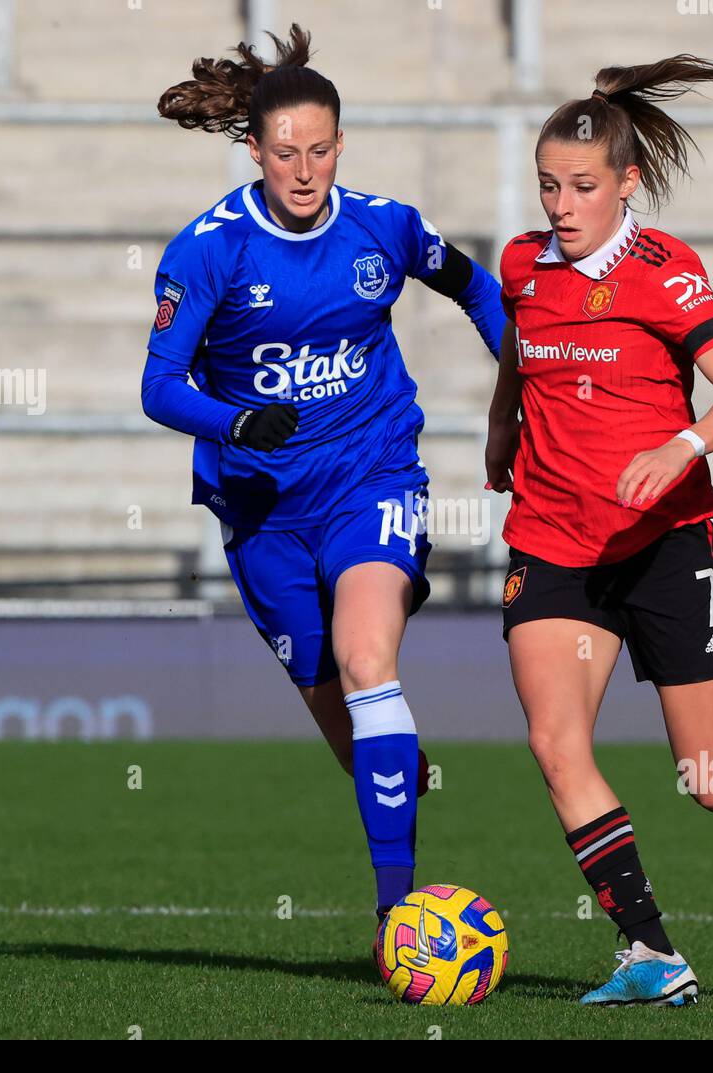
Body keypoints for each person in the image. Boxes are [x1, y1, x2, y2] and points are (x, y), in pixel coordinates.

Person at [141, 25, 505, 930]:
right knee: (344, 720)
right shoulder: (208, 251)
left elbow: (478, 288)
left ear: (341, 145)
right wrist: (235, 422)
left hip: (371, 474)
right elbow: (157, 386)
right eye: (283, 153)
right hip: (261, 508)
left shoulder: (385, 226)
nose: (303, 172)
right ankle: (387, 764)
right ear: (255, 151)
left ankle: (401, 923)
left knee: (367, 660)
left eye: (319, 150)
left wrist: (524, 394)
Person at [485, 55, 713, 1007]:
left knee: (709, 779)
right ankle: (650, 953)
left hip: (669, 543)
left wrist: (680, 445)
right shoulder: (521, 264)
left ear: (626, 182)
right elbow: (521, 349)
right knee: (557, 745)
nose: (561, 203)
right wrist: (504, 424)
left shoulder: (666, 272)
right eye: (548, 184)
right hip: (553, 537)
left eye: (582, 185)